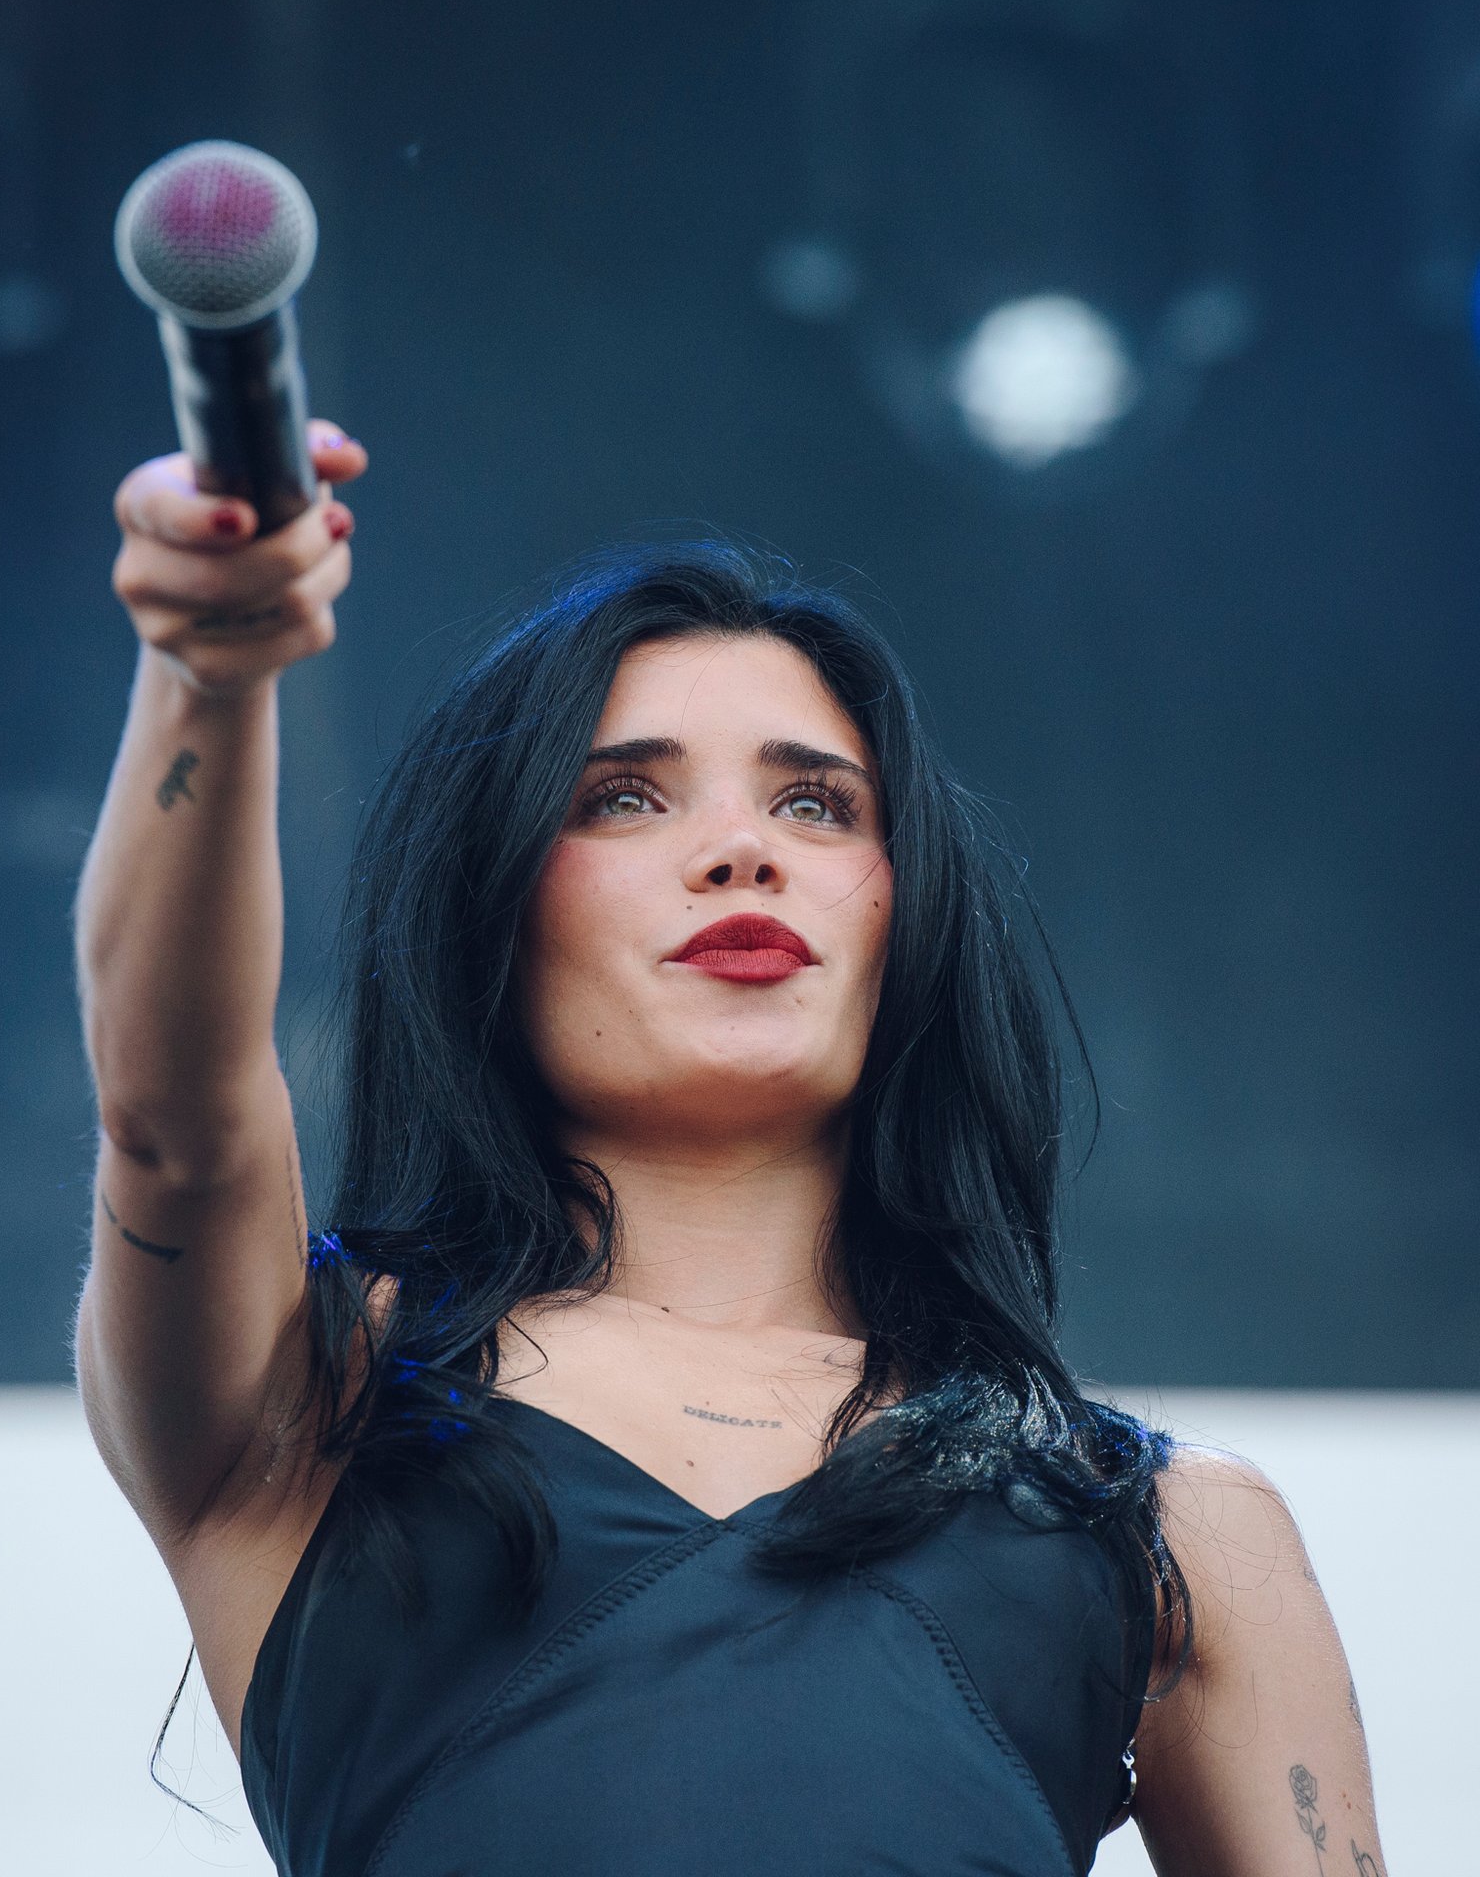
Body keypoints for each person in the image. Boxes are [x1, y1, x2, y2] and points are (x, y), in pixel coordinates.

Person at [73, 421, 1387, 1877]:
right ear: (488, 906)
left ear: (906, 916)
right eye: (623, 797)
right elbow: (174, 1120)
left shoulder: (1174, 1534)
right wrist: (207, 677)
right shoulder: (309, 1394)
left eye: (816, 803)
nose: (741, 850)